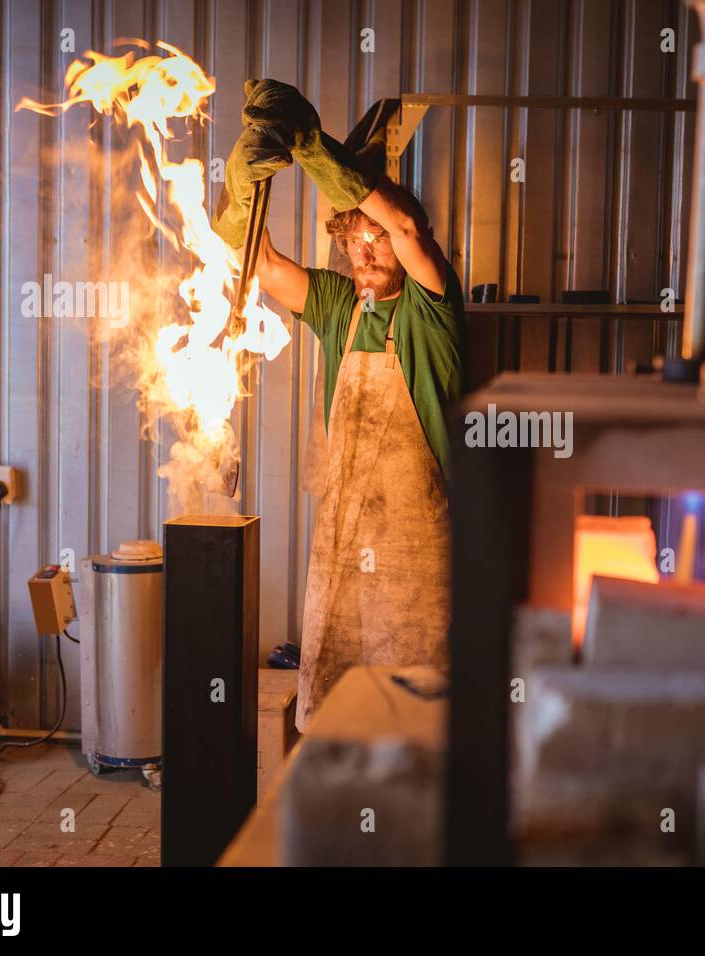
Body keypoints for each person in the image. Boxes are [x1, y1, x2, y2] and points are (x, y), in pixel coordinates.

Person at [213, 80, 465, 731]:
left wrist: (310, 144)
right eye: (354, 241)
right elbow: (260, 265)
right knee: (340, 727)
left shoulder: (431, 308)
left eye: (376, 237)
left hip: (418, 568)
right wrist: (243, 184)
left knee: (417, 727)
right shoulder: (337, 307)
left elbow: (407, 224)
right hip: (342, 563)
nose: (366, 253)